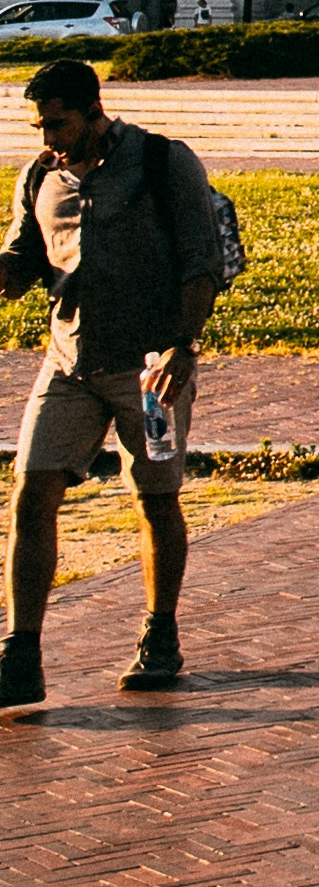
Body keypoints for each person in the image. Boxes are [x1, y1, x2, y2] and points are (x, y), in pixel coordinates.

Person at [3, 57, 233, 710]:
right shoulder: (39, 178)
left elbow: (201, 263)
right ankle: (21, 653)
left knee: (155, 498)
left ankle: (160, 636)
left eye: (59, 123)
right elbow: (23, 261)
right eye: (40, 126)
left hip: (152, 367)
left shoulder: (163, 162)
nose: (49, 137)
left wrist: (184, 346)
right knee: (31, 491)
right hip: (69, 362)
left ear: (92, 110)